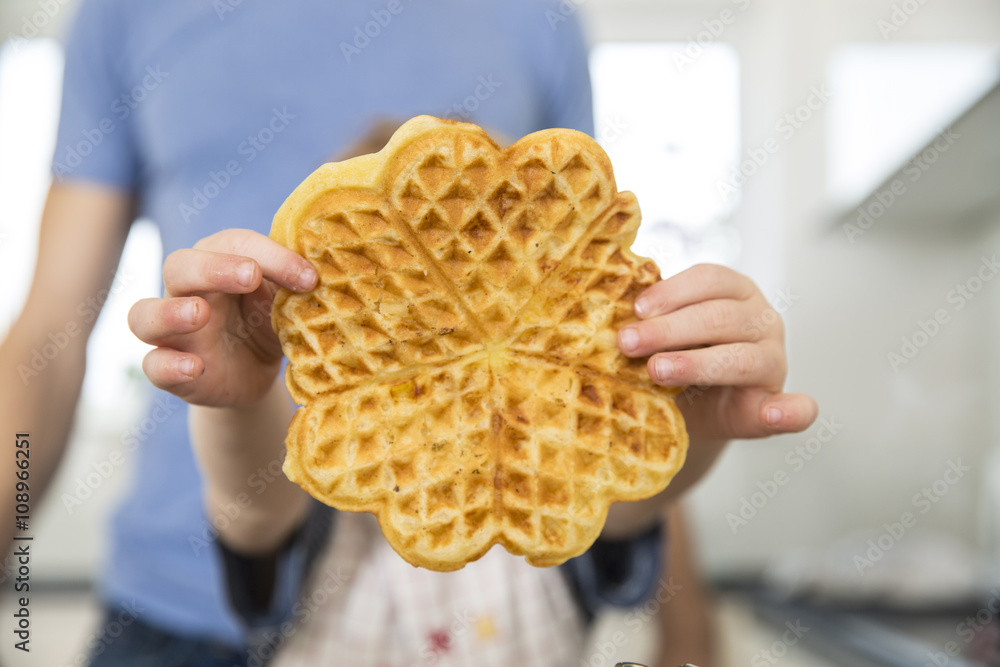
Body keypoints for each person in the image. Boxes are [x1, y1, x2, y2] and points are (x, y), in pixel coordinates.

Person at [1, 0, 817, 664]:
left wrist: (692, 430)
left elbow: (609, 407)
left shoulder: (541, 20)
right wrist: (237, 391)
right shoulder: (126, 12)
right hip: (176, 594)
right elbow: (63, 342)